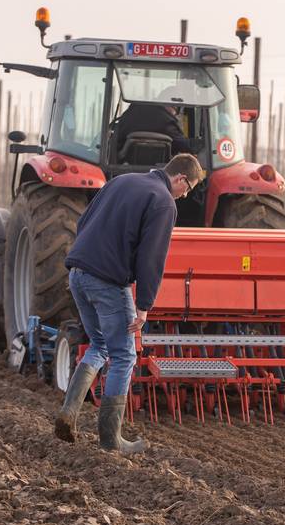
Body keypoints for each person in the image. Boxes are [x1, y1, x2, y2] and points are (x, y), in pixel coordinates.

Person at [54, 153, 206, 456]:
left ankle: (68, 414)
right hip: (107, 282)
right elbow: (152, 257)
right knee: (124, 355)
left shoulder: (121, 181)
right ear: (180, 178)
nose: (185, 195)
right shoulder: (164, 201)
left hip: (78, 273)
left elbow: (83, 222)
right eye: (187, 189)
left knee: (99, 345)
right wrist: (144, 305)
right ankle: (111, 439)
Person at [113, 103, 191, 158]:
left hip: (123, 169)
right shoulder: (167, 121)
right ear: (170, 105)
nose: (174, 114)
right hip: (161, 171)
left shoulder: (130, 113)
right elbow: (184, 146)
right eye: (176, 111)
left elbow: (116, 139)